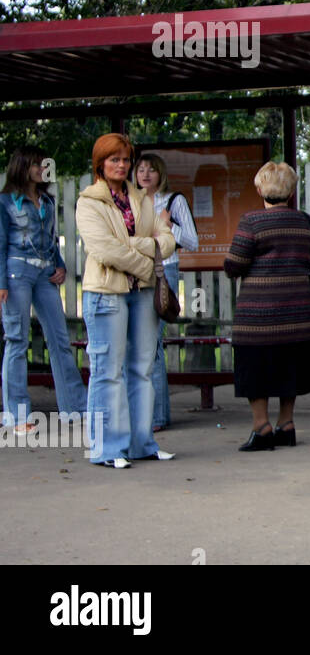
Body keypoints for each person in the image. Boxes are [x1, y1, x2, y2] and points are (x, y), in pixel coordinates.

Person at [76, 133, 176, 467]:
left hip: (142, 295)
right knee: (108, 371)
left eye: (125, 159)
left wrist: (142, 247)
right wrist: (147, 260)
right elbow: (104, 249)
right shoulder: (89, 202)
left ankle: (141, 443)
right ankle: (108, 449)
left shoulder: (142, 198)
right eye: (114, 159)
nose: (121, 165)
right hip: (106, 294)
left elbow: (167, 240)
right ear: (100, 164)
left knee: (142, 368)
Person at [223, 161, 310, 452]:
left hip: (258, 315)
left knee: (257, 367)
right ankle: (286, 424)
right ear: (291, 191)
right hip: (297, 312)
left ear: (260, 188)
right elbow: (309, 257)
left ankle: (261, 427)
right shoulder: (305, 221)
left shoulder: (252, 221)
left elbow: (234, 264)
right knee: (290, 366)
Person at [0, 146, 87, 432]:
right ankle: (16, 415)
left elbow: (52, 238)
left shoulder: (47, 201)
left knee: (60, 339)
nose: (41, 169)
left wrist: (59, 264)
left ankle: (75, 408)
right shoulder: (5, 202)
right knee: (16, 340)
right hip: (16, 272)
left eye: (43, 165)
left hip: (45, 272)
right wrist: (1, 283)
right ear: (22, 166)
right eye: (36, 165)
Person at [135, 153, 198, 433]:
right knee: (139, 343)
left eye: (151, 169)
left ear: (161, 173)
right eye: (140, 169)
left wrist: (169, 224)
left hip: (164, 272)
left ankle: (158, 415)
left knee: (154, 344)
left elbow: (192, 241)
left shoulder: (174, 201)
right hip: (135, 272)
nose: (145, 174)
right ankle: (141, 410)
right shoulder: (131, 202)